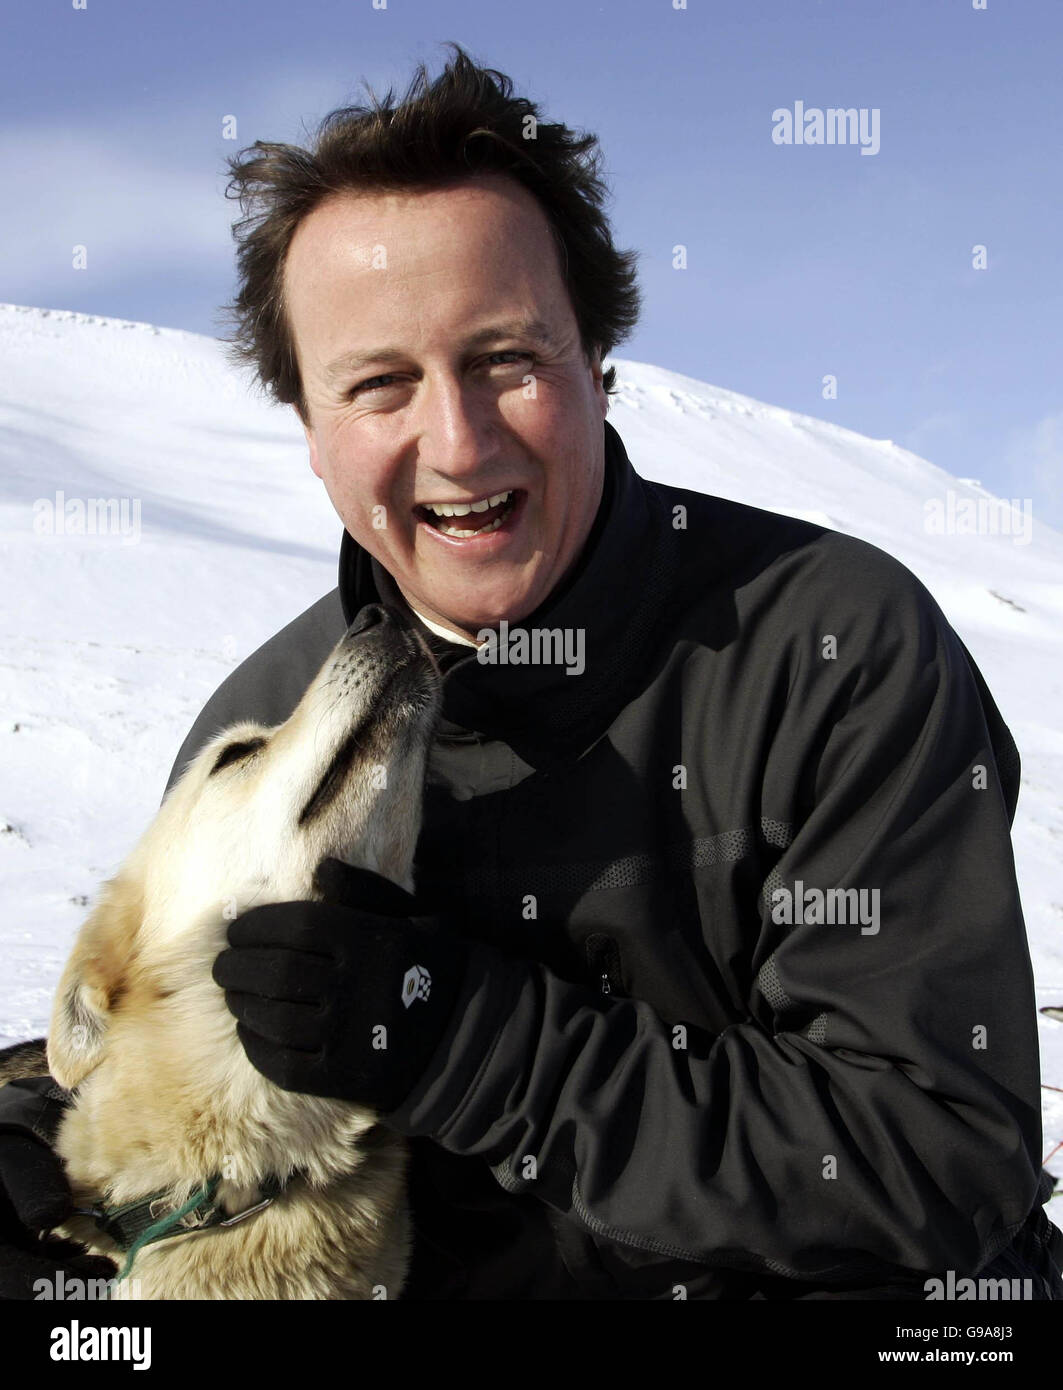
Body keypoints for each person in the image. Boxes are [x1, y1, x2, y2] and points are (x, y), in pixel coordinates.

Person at [2, 42, 1061, 1302]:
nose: (457, 442)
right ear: (312, 432)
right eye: (379, 383)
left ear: (599, 368)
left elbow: (935, 1156)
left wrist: (472, 1043)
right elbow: (202, 1059)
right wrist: (51, 1135)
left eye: (507, 358)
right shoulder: (273, 727)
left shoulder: (828, 646)